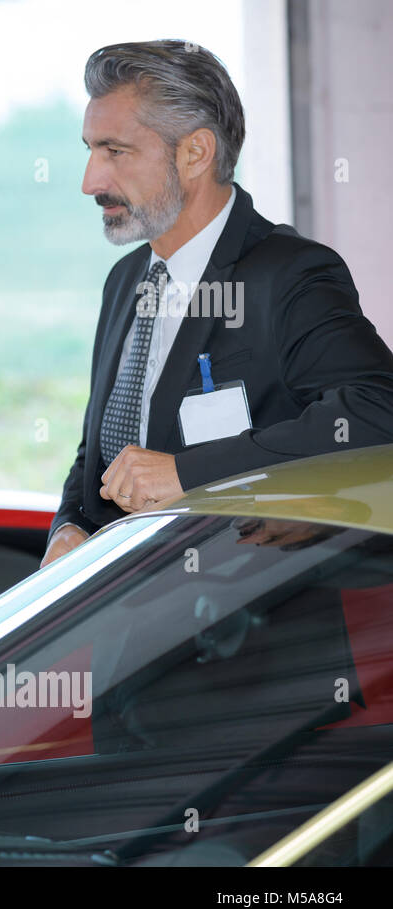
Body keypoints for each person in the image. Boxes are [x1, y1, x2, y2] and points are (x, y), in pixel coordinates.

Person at [44, 40, 393, 567]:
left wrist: (188, 473)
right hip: (130, 630)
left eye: (115, 151)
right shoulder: (125, 280)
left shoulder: (289, 273)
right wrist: (70, 524)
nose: (90, 181)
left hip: (261, 633)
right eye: (90, 150)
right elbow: (107, 443)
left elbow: (377, 410)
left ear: (195, 153)